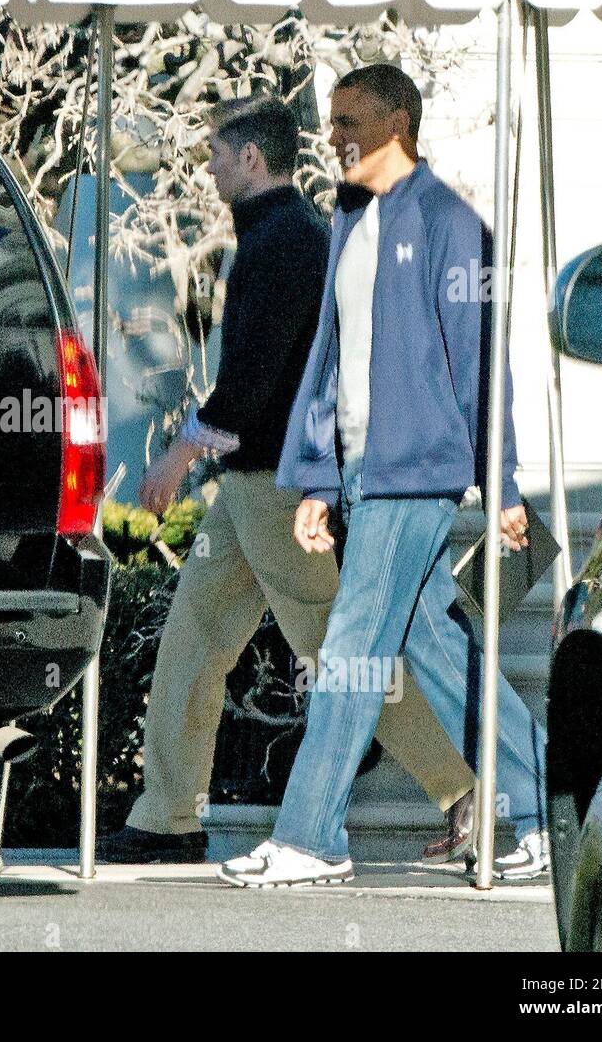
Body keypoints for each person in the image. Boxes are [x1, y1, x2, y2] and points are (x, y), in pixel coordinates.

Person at [97, 93, 477, 865]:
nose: (204, 169)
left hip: (276, 484)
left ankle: (468, 794)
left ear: (251, 160)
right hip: (250, 488)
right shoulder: (279, 236)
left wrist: (179, 454)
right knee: (194, 642)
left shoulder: (284, 244)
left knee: (344, 657)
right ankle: (169, 816)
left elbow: (256, 379)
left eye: (215, 155)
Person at [219, 64, 548, 888]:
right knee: (436, 649)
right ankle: (545, 801)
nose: (332, 137)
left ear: (397, 121)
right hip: (364, 471)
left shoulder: (448, 223)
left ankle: (310, 835)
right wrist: (318, 482)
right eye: (329, 122)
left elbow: (482, 362)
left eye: (348, 120)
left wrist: (500, 479)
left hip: (418, 470)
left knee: (353, 649)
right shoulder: (349, 219)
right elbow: (330, 361)